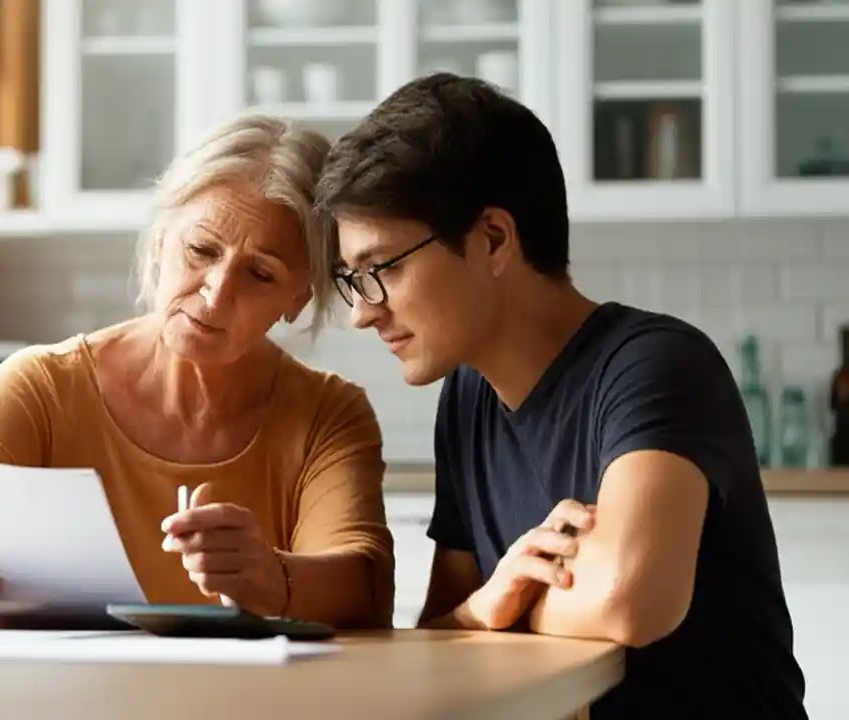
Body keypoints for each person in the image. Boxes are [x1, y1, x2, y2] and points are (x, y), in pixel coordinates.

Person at [313, 73, 807, 718]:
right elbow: (443, 631)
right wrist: (490, 601)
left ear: (493, 239)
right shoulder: (467, 398)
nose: (363, 312)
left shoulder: (656, 366)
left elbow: (630, 601)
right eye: (356, 278)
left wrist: (505, 603)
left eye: (384, 269)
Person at [0, 115, 394, 629]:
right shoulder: (38, 389)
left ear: (298, 298)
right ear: (160, 241)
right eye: (201, 250)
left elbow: (365, 590)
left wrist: (276, 579)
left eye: (259, 273)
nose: (215, 293)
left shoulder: (328, 415)